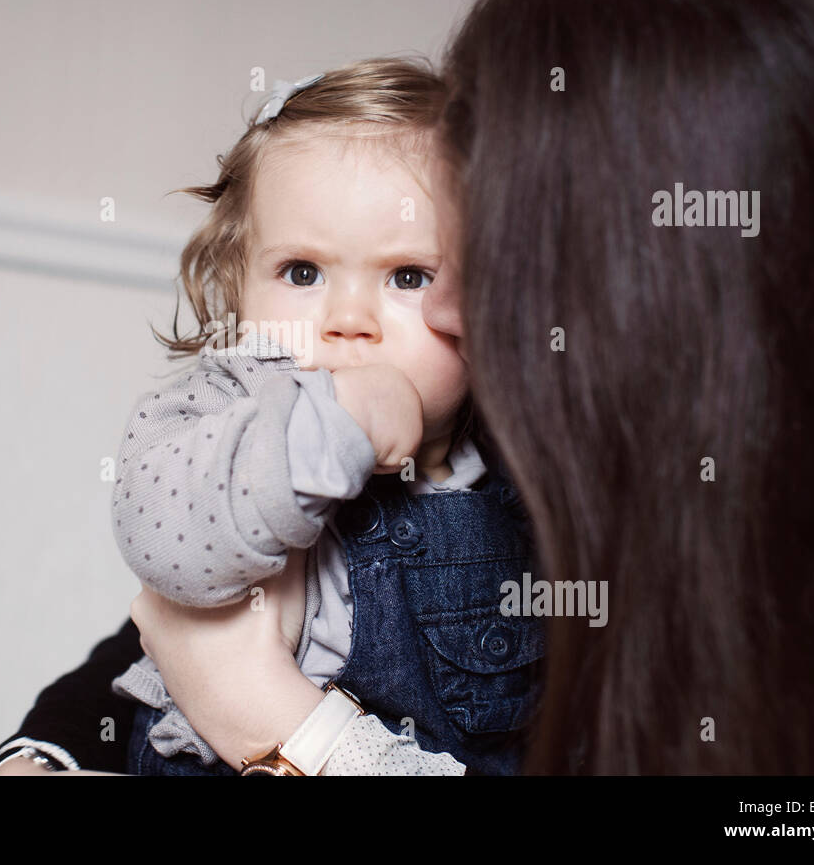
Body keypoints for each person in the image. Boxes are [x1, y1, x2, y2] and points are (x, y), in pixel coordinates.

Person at [0, 0, 814, 776]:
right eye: (301, 270)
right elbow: (152, 632)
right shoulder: (275, 419)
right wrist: (35, 758)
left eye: (444, 266)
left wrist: (280, 723)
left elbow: (233, 675)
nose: (437, 313)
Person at [107, 57, 541, 776]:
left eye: (408, 276)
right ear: (236, 286)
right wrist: (329, 426)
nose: (347, 321)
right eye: (302, 272)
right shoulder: (219, 407)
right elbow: (163, 536)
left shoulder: (517, 472)